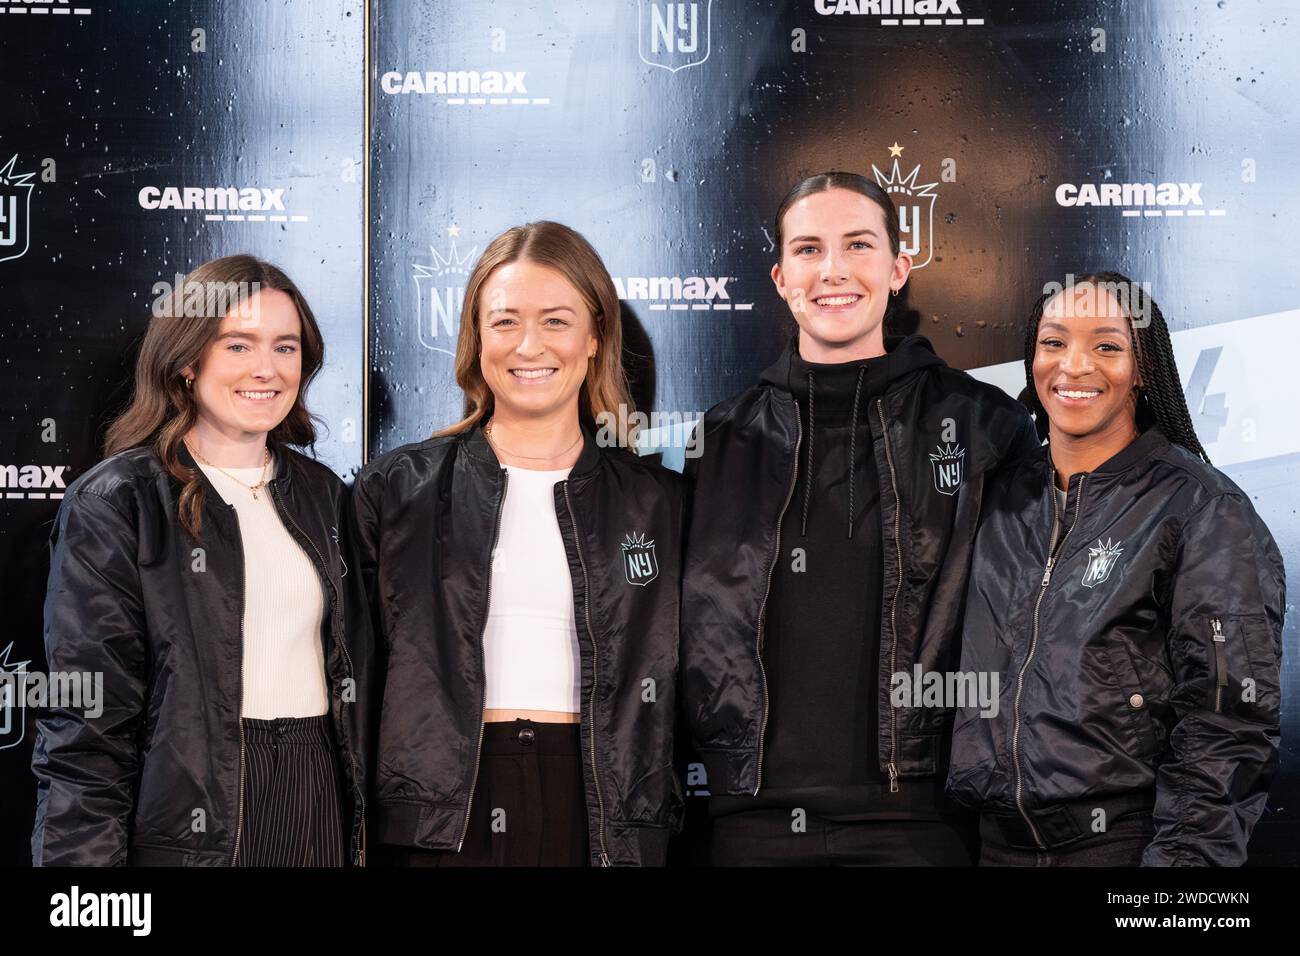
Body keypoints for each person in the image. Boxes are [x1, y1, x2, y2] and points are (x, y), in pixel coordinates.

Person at [680, 171, 1040, 865]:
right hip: (752, 823)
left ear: (898, 268)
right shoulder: (722, 440)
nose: (834, 271)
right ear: (782, 276)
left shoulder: (983, 426)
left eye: (858, 245)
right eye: (810, 250)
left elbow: (1030, 627)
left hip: (923, 822)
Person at [353, 221, 685, 866]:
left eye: (556, 321)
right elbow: (356, 680)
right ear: (477, 340)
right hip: (440, 813)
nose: (529, 345)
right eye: (504, 322)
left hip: (602, 811)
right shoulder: (397, 491)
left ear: (596, 337)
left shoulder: (661, 503)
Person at [31, 254, 372, 866]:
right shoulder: (119, 501)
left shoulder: (326, 496)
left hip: (318, 798)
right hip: (192, 818)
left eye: (285, 348)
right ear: (188, 361)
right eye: (238, 346)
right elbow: (88, 731)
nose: (266, 369)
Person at [947, 273, 1286, 866]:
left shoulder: (1201, 508)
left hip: (1128, 848)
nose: (1074, 366)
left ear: (1144, 367)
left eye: (1106, 346)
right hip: (996, 848)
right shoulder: (995, 498)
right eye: (1054, 343)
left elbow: (1230, 721)